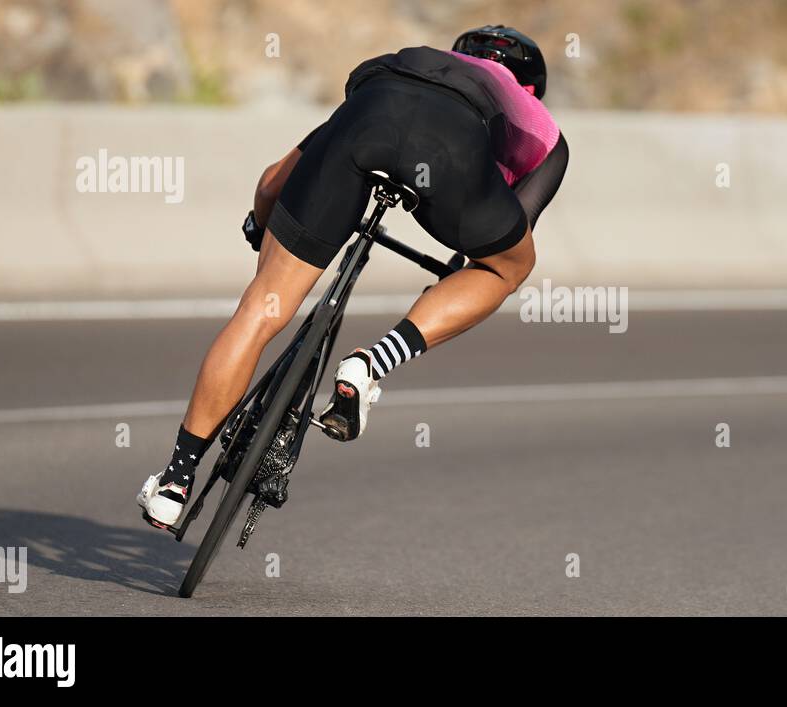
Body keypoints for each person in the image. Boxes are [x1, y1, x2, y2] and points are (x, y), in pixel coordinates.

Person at [137, 25, 569, 528]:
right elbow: (508, 235)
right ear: (531, 89)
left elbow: (273, 179)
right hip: (453, 153)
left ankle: (176, 481)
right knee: (509, 266)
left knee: (260, 311)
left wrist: (262, 227)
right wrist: (458, 271)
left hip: (371, 113)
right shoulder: (541, 126)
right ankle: (372, 362)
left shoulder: (410, 61)